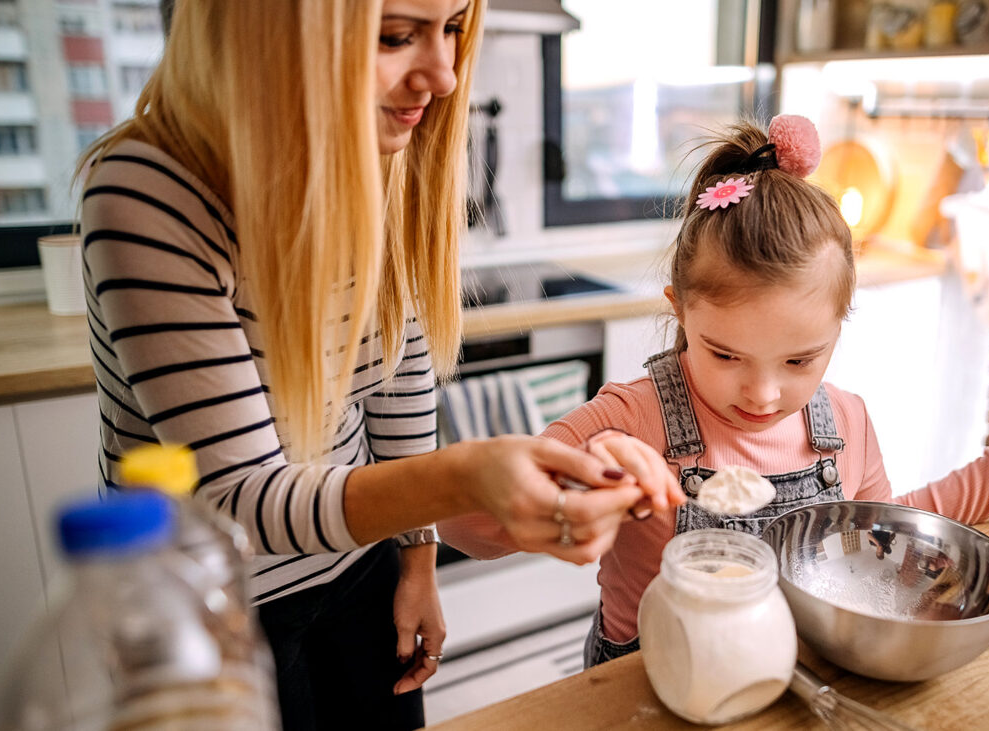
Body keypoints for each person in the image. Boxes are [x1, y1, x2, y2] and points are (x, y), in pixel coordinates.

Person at [76, 2, 676, 728]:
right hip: (213, 609)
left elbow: (396, 374)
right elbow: (238, 499)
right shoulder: (148, 191)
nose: (445, 75)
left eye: (453, 26)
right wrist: (462, 473)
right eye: (396, 36)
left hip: (359, 569)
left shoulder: (376, 152)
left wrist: (416, 556)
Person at [438, 115, 989, 668]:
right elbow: (465, 524)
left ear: (840, 327)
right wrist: (563, 492)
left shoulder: (845, 421)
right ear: (681, 309)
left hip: (790, 673)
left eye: (801, 358)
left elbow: (885, 546)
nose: (761, 392)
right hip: (650, 682)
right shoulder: (634, 418)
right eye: (724, 353)